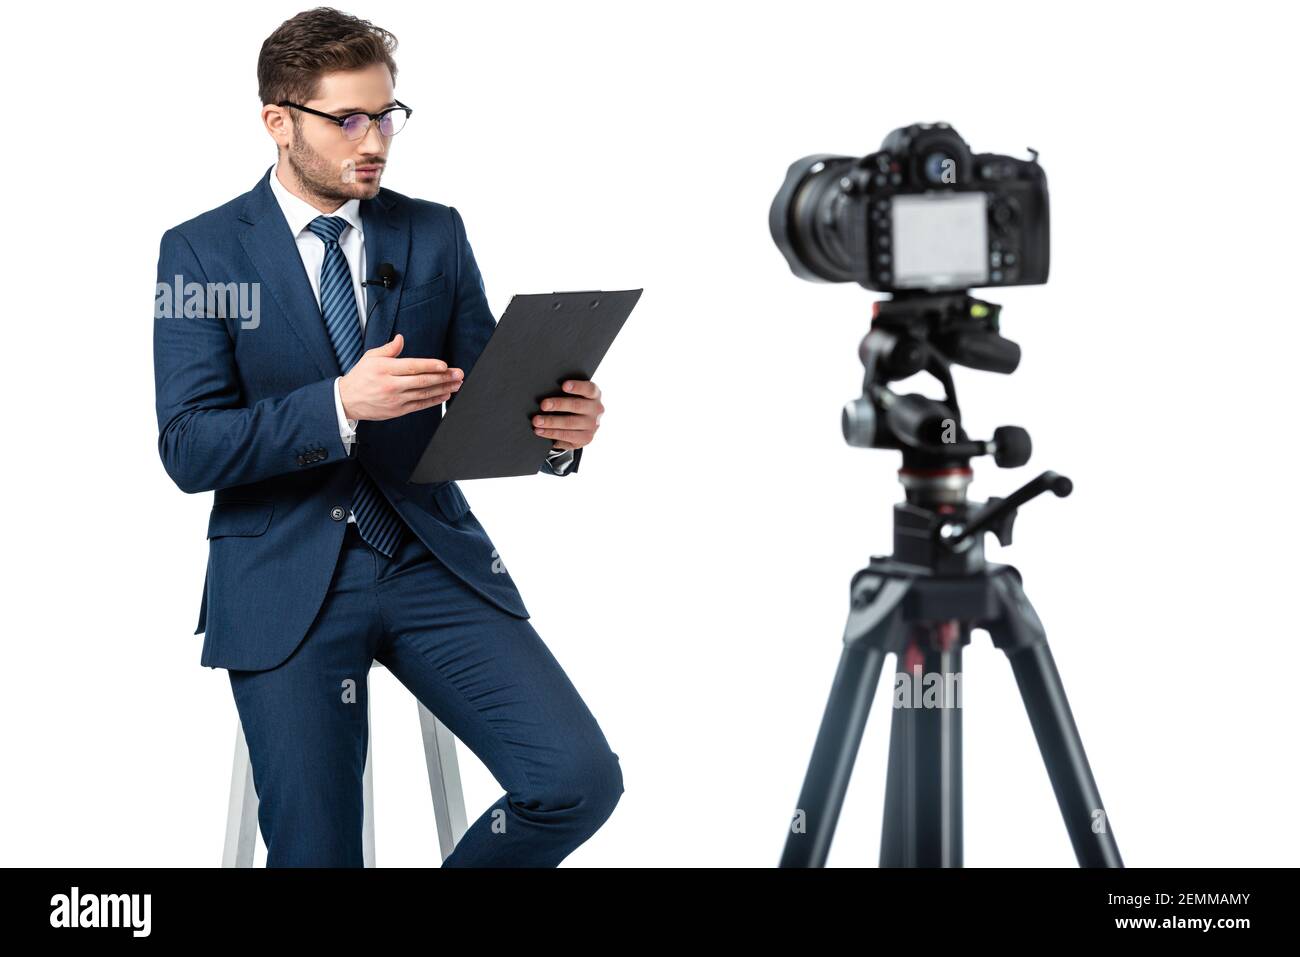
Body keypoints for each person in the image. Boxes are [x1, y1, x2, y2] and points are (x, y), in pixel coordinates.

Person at [152, 6, 622, 866]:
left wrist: (559, 431)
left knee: (575, 779)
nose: (375, 141)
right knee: (318, 853)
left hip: (425, 560)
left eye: (387, 116)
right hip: (285, 580)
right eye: (349, 120)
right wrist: (337, 404)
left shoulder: (432, 231)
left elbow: (490, 400)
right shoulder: (200, 253)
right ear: (278, 122)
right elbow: (188, 445)